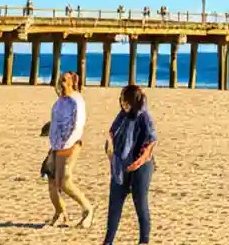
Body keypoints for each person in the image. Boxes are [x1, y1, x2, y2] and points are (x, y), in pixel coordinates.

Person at [103, 84, 158, 245]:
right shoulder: (122, 116)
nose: (120, 101)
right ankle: (108, 241)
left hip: (141, 166)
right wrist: (110, 149)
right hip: (121, 164)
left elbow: (152, 141)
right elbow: (112, 133)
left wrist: (139, 161)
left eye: (123, 98)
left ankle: (144, 241)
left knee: (140, 203)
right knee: (115, 204)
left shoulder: (144, 117)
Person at [46, 71, 94, 228]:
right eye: (61, 80)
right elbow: (55, 122)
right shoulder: (59, 101)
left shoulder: (76, 101)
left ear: (73, 81)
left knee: (64, 181)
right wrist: (52, 141)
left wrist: (66, 145)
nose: (62, 83)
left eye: (65, 80)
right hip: (55, 146)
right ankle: (60, 213)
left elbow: (76, 126)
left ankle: (88, 208)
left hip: (70, 145)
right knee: (52, 181)